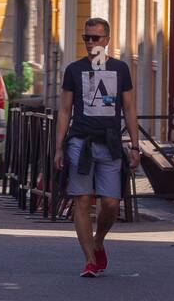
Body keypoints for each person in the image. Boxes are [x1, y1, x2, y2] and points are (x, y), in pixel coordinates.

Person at [54, 17, 139, 278]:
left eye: (96, 38)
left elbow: (129, 108)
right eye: (86, 38)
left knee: (112, 203)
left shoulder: (121, 69)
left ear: (107, 40)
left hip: (111, 143)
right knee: (82, 200)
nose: (90, 43)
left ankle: (98, 239)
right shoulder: (73, 70)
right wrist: (59, 147)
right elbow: (65, 110)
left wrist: (135, 145)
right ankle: (90, 260)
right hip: (80, 143)